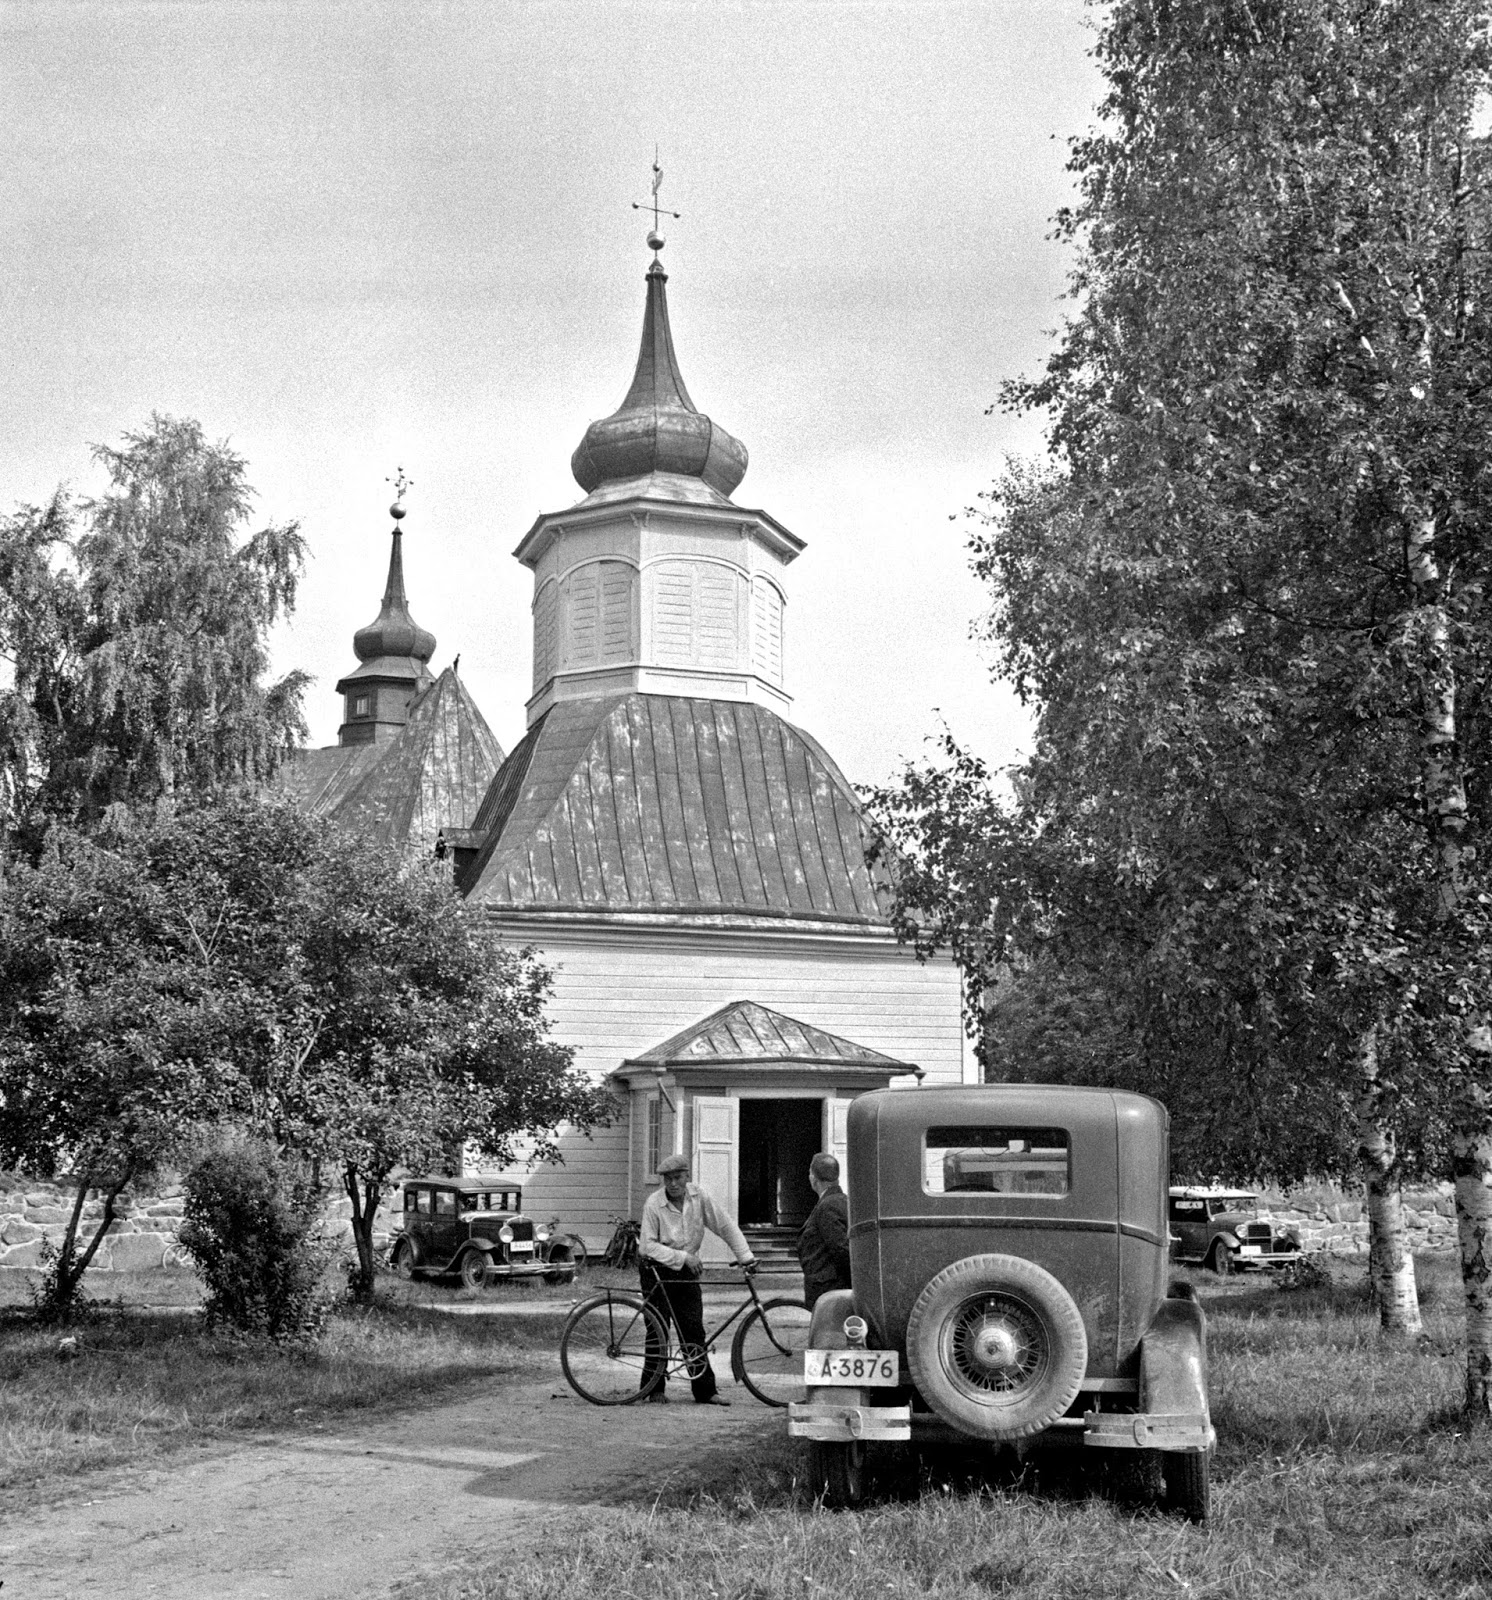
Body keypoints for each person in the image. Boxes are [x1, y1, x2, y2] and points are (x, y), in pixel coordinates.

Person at [639, 1153, 758, 1404]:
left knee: (693, 1328)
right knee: (657, 1327)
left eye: (678, 1178)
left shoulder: (699, 1197)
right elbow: (647, 1246)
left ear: (687, 1177)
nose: (673, 1184)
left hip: (686, 1268)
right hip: (656, 1268)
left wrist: (745, 1256)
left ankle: (706, 1391)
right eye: (668, 1179)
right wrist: (683, 1257)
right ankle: (653, 1388)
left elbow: (724, 1225)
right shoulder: (654, 1203)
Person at [796, 1152, 851, 1309]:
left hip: (828, 1290)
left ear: (813, 1178)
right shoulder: (841, 1201)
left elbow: (840, 1248)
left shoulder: (828, 1206)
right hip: (830, 1286)